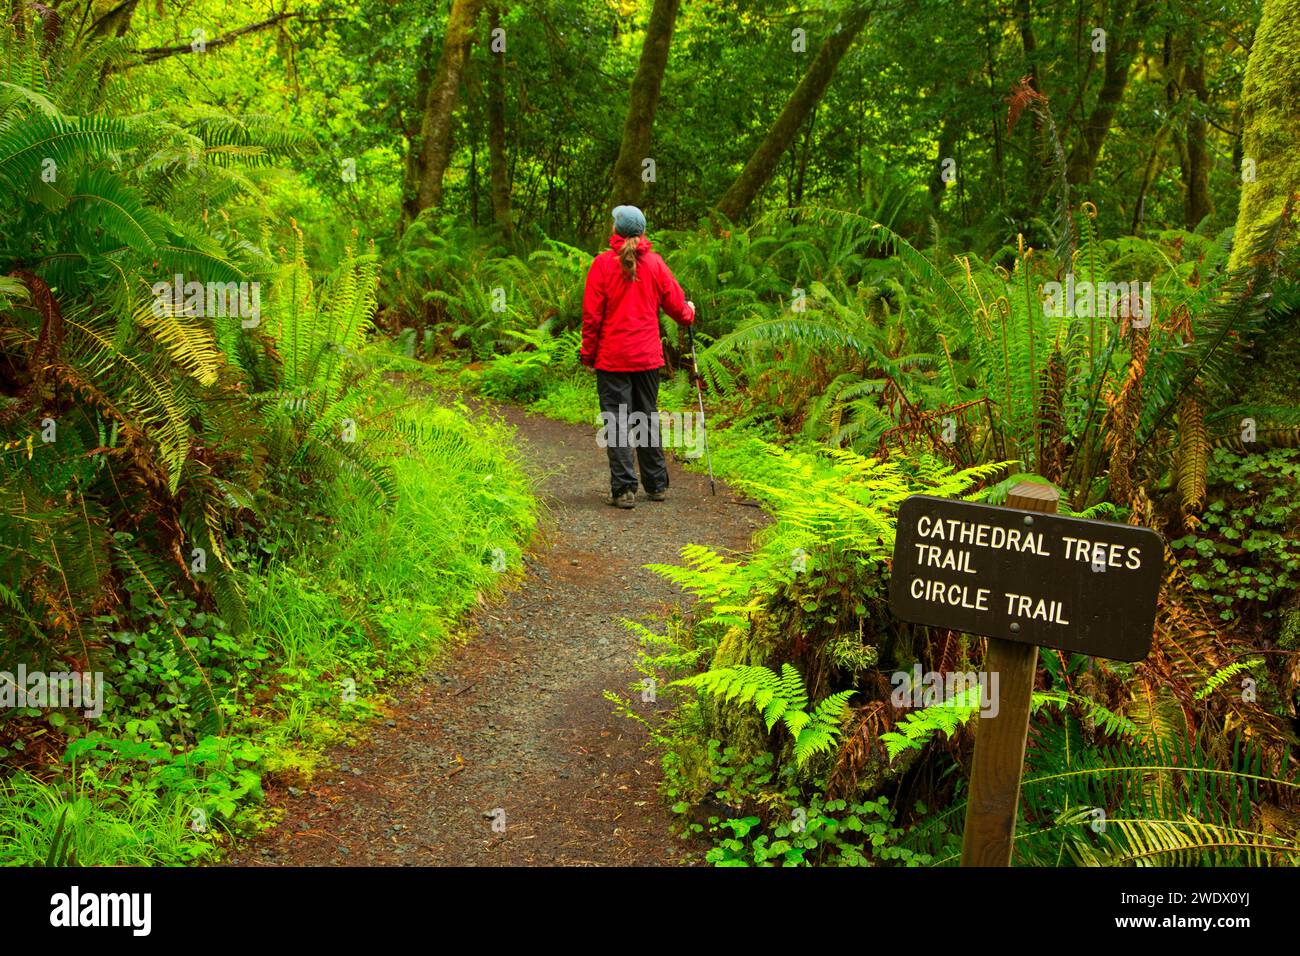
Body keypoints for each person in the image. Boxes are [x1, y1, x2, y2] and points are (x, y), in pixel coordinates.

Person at [580, 205, 695, 508]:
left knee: (617, 423)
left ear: (615, 231)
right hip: (646, 358)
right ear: (643, 233)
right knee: (646, 416)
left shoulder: (602, 265)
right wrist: (689, 313)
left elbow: (591, 318)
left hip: (612, 358)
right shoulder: (656, 264)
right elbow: (677, 307)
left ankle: (624, 490)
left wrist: (588, 356)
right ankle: (656, 485)